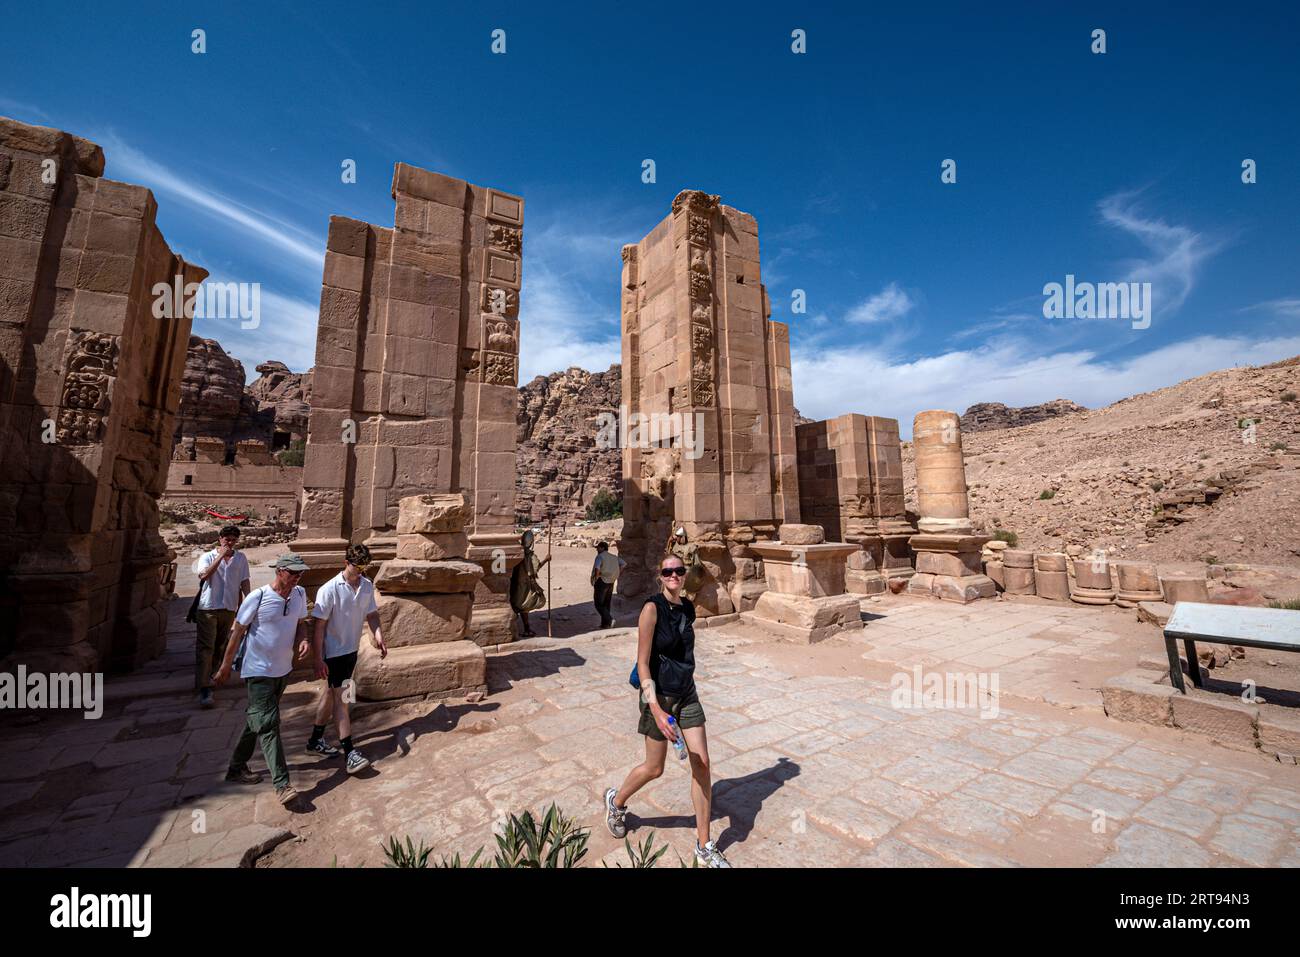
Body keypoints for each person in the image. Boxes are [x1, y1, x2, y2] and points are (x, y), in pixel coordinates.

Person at [603, 555, 731, 867]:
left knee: (702, 763)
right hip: (658, 697)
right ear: (660, 576)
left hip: (687, 694)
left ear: (684, 575)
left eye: (678, 570)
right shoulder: (651, 609)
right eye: (667, 571)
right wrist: (657, 711)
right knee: (654, 768)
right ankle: (617, 802)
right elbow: (643, 663)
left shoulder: (687, 607)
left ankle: (704, 845)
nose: (673, 575)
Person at [212, 553, 312, 807]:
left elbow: (301, 622)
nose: (297, 577)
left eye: (300, 573)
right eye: (293, 572)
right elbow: (237, 633)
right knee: (269, 723)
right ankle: (282, 784)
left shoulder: (299, 594)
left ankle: (236, 766)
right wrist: (225, 665)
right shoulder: (258, 597)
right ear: (279, 571)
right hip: (257, 670)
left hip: (282, 669)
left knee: (257, 719)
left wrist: (304, 638)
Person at [306, 544, 387, 773]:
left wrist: (378, 635)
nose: (359, 571)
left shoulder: (366, 585)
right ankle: (350, 753)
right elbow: (319, 626)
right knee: (342, 700)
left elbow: (372, 614)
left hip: (351, 650)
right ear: (346, 563)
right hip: (333, 652)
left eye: (363, 567)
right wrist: (318, 658)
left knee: (331, 696)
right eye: (356, 567)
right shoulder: (329, 589)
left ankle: (315, 741)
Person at [191, 525, 251, 709]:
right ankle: (204, 687)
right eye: (227, 539)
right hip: (209, 607)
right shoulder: (207, 556)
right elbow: (204, 575)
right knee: (206, 646)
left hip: (228, 607)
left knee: (220, 645)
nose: (230, 542)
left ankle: (213, 677)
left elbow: (244, 583)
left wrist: (248, 606)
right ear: (220, 539)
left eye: (233, 539)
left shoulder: (240, 558)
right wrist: (220, 556)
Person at [509, 529, 549, 637]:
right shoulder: (530, 556)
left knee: (519, 605)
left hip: (515, 583)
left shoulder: (517, 553)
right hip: (526, 584)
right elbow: (536, 568)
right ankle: (526, 629)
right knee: (525, 606)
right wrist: (546, 559)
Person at [590, 541, 625, 629]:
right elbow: (624, 564)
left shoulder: (600, 556)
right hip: (611, 581)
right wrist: (617, 573)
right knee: (606, 603)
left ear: (602, 548)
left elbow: (597, 568)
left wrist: (597, 577)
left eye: (598, 547)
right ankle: (605, 624)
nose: (597, 549)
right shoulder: (614, 557)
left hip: (602, 581)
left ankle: (610, 619)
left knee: (598, 603)